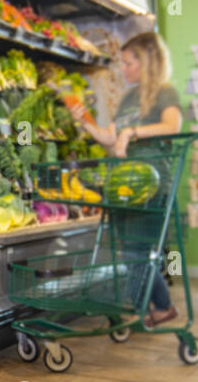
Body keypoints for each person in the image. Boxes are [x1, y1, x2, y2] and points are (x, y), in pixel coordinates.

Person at [78, 31, 184, 328]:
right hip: (126, 186)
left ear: (147, 62)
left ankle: (142, 310)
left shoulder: (165, 93)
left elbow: (172, 127)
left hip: (152, 184)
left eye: (128, 63)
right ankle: (162, 307)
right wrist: (83, 118)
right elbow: (108, 137)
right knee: (133, 251)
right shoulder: (128, 98)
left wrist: (131, 133)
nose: (122, 69)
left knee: (136, 251)